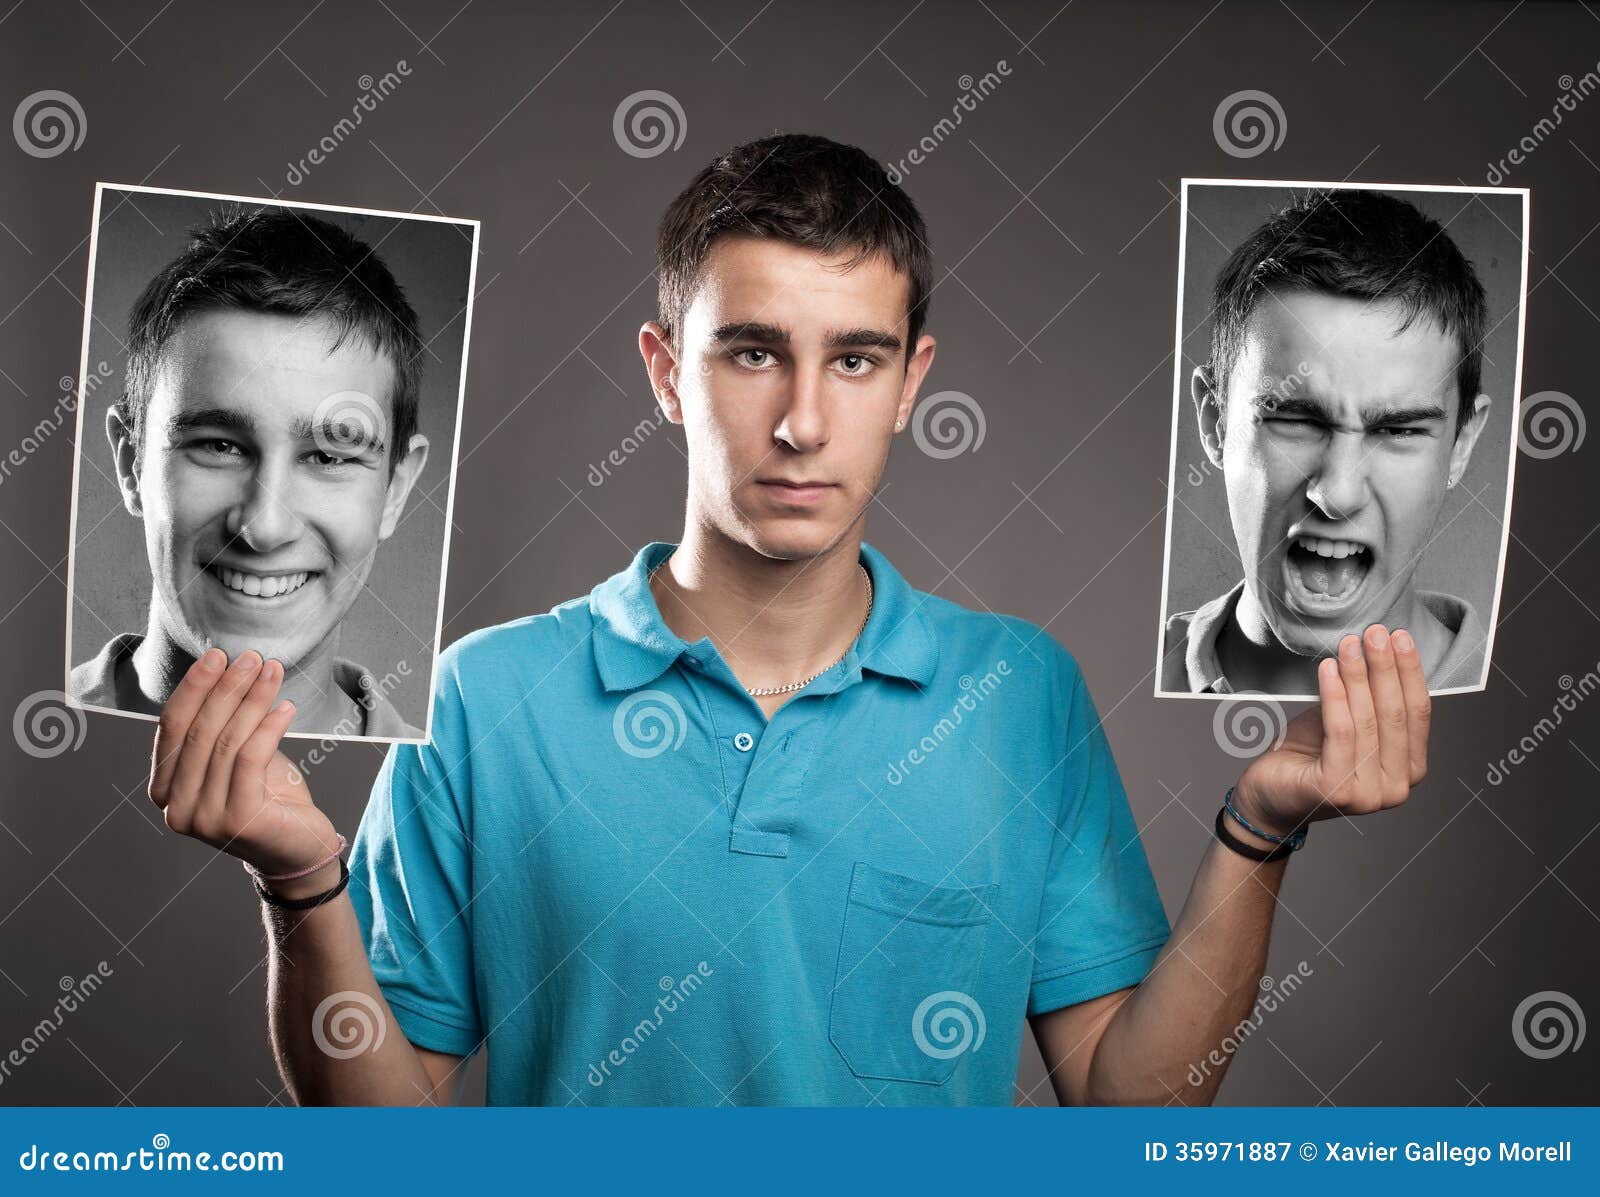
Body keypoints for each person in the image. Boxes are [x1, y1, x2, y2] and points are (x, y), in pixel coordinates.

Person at [144, 135, 1434, 1106]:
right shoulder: (487, 698)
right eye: (753, 352)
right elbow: (387, 1143)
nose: (804, 422)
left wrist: (1258, 830)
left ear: (911, 382)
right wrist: (296, 882)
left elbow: (1126, 1107)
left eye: (854, 359)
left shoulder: (1019, 695)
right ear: (667, 371)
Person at [70, 207, 429, 738]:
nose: (264, 529)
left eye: (328, 458)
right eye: (219, 446)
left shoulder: (448, 780)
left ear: (395, 491)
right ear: (131, 463)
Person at [1162, 189, 1494, 696]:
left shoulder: (1536, 702)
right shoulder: (1106, 677)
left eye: (1398, 430)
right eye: (1296, 419)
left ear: (1461, 444)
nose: (1336, 495)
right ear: (1215, 422)